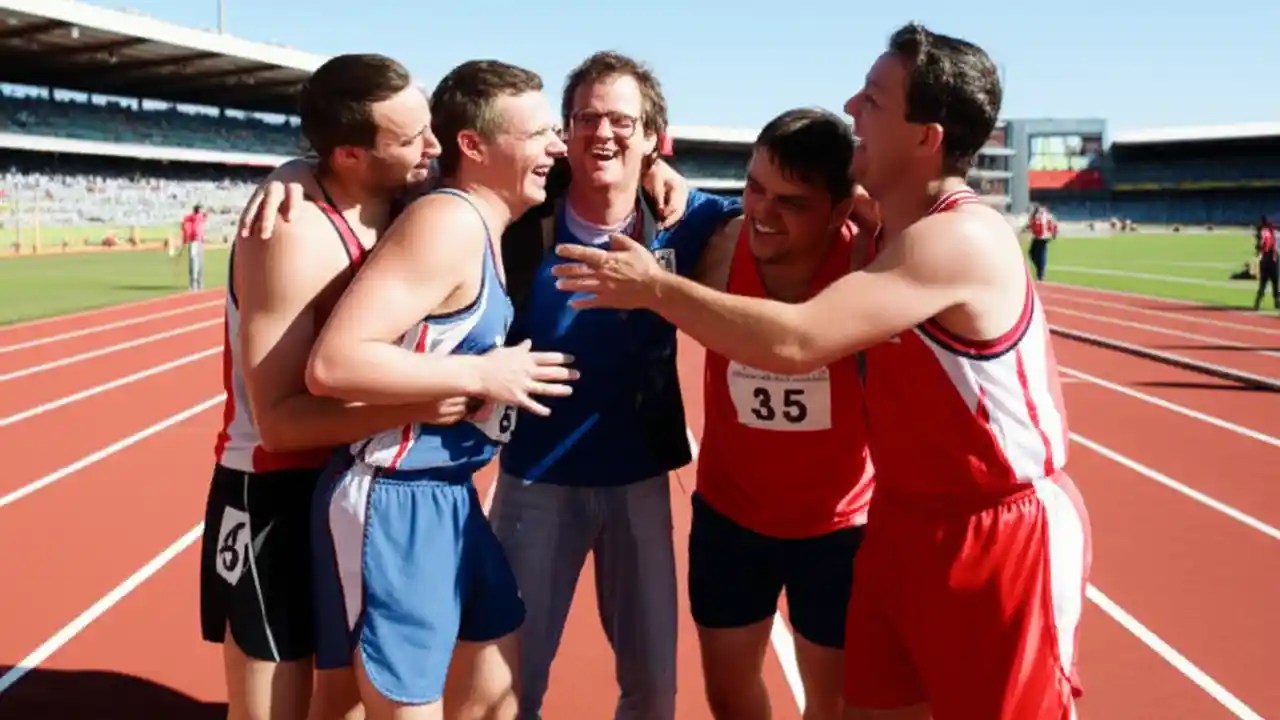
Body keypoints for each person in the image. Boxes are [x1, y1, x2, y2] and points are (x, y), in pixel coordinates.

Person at [553, 23, 1091, 720]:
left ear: (925, 137)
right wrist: (652, 167)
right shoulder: (883, 228)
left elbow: (799, 339)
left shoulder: (957, 237)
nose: (852, 106)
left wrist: (653, 287)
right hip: (896, 520)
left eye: (873, 98)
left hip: (990, 525)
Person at [199, 53, 520, 720]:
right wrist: (423, 401)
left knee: (350, 694)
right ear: (349, 154)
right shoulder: (292, 233)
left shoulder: (409, 201)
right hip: (273, 488)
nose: (433, 147)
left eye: (429, 127)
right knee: (271, 707)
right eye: (411, 138)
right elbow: (281, 423)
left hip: (357, 483)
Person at [302, 59, 574, 720]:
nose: (557, 147)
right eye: (540, 134)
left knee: (495, 680)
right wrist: (479, 374)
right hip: (395, 500)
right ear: (473, 146)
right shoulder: (447, 224)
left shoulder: (482, 223)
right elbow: (332, 363)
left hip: (448, 495)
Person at [486, 51, 742, 720]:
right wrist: (295, 171)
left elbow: (778, 213)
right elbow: (424, 187)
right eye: (587, 118)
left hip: (639, 483)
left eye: (622, 121)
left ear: (654, 136)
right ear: (566, 131)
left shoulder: (683, 218)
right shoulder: (521, 215)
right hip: (534, 482)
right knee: (512, 687)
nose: (603, 133)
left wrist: (864, 198)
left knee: (654, 688)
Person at [686, 107, 876, 720]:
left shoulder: (867, 264)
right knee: (728, 695)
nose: (762, 212)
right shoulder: (720, 249)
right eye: (755, 188)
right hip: (731, 515)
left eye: (791, 202)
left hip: (839, 525)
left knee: (833, 704)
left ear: (840, 211)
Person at [1024, 204, 1057, 281]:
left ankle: (1040, 273)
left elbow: (1036, 225)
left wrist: (1028, 228)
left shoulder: (1039, 215)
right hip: (1041, 236)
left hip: (1042, 237)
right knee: (1034, 253)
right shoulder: (1045, 215)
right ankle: (1040, 272)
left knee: (1039, 254)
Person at [180, 204, 207, 290]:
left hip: (199, 241)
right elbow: (186, 229)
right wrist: (185, 240)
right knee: (194, 262)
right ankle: (194, 283)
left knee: (199, 262)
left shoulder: (198, 218)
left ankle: (199, 283)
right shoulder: (191, 219)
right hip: (194, 242)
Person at [1254, 215, 1277, 310]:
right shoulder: (1271, 231)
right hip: (1272, 259)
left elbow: (1260, 246)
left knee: (1263, 282)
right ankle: (1276, 301)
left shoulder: (1261, 232)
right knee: (1275, 281)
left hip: (1264, 260)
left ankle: (1257, 302)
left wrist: (1258, 252)